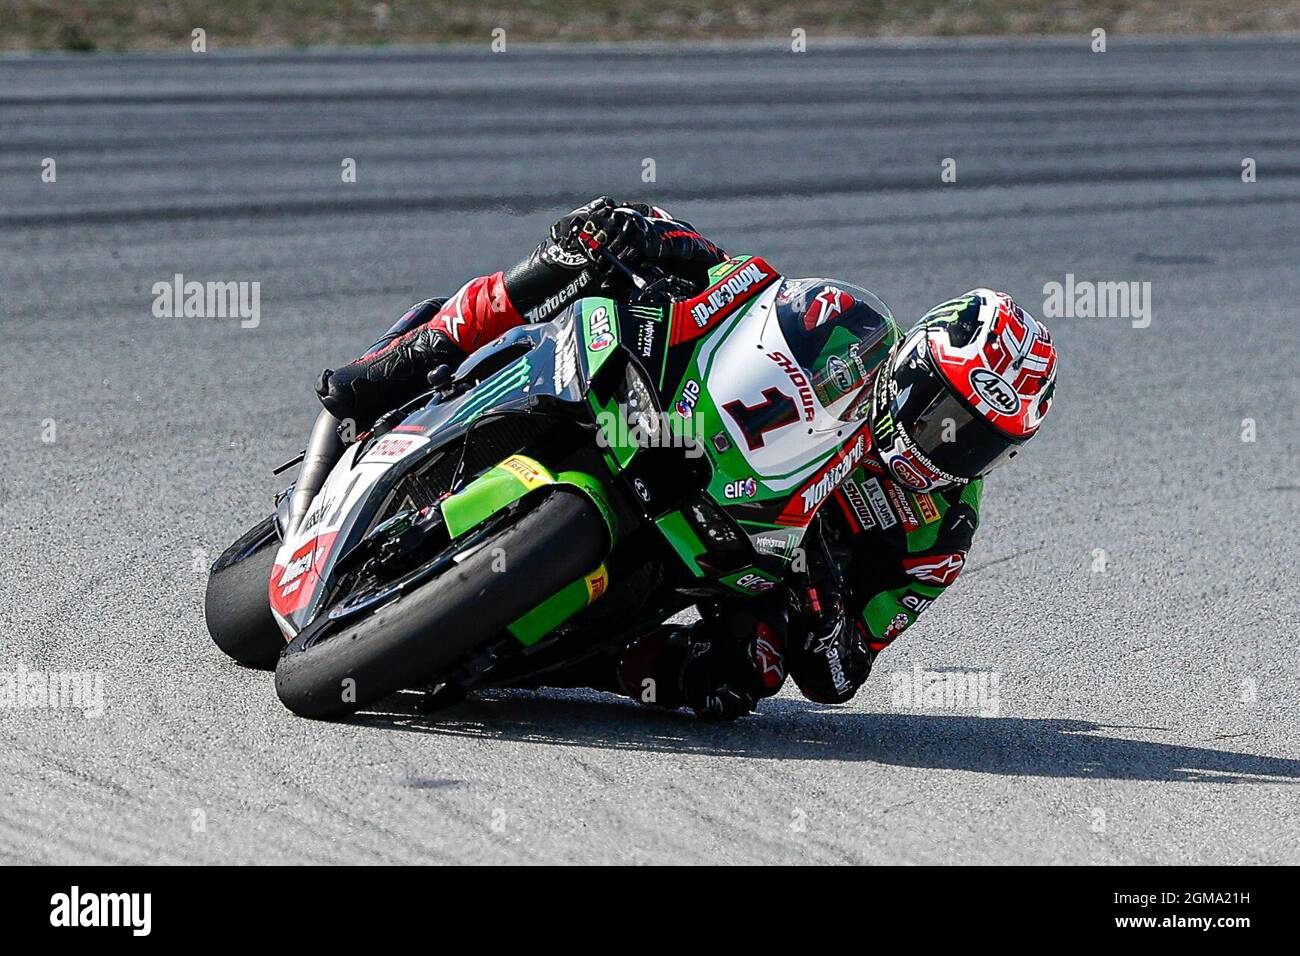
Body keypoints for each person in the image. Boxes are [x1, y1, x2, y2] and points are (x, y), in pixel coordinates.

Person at [312, 197, 1058, 719]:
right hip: (681, 432)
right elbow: (750, 297)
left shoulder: (941, 536)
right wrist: (671, 244)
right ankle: (401, 366)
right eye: (946, 416)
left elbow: (838, 674)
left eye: (984, 440)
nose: (950, 446)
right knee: (591, 244)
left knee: (743, 681)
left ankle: (565, 666)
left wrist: (813, 571)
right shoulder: (848, 337)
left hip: (740, 558)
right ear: (913, 366)